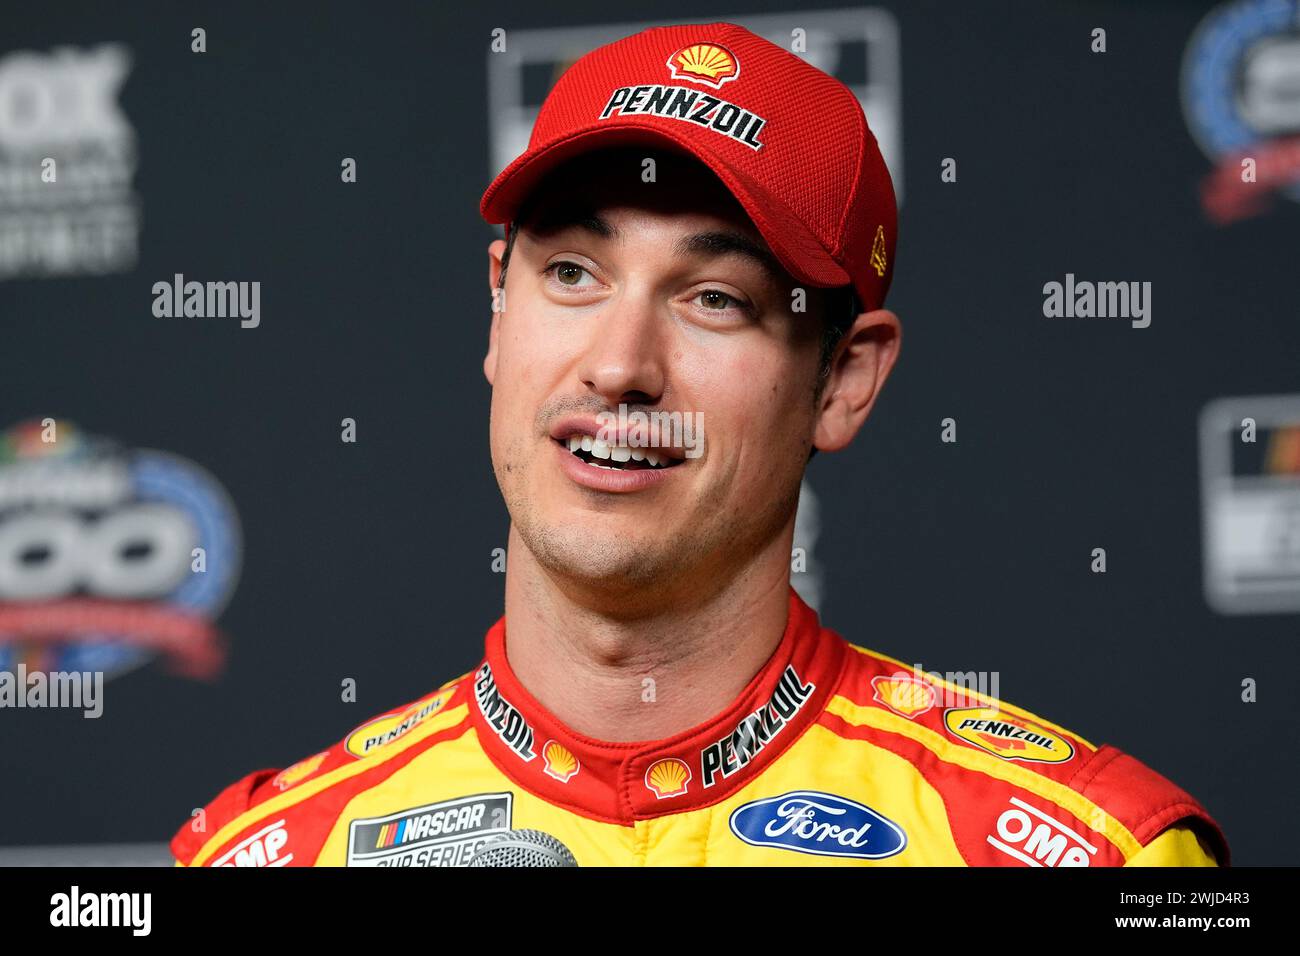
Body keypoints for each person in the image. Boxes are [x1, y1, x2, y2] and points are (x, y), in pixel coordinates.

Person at [171, 21, 1227, 867]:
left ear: (843, 378)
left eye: (714, 297)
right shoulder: (264, 853)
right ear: (497, 306)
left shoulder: (1096, 853)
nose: (619, 366)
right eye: (573, 273)